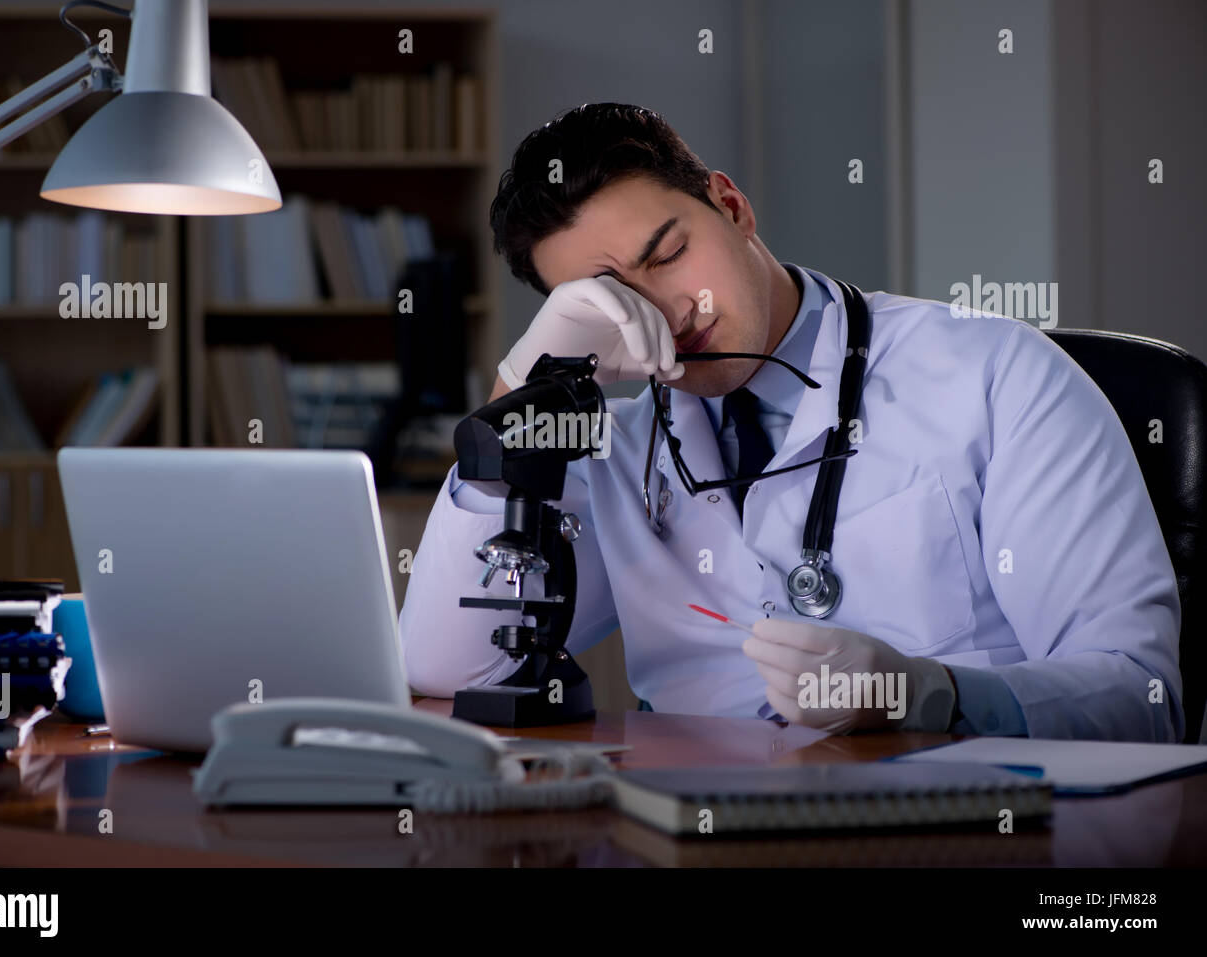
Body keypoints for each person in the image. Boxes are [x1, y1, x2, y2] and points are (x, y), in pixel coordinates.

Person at [398, 102, 1184, 741]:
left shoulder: (995, 374)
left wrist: (933, 694)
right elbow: (448, 670)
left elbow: (1141, 696)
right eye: (609, 298)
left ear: (731, 207)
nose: (669, 309)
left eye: (669, 253)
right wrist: (514, 400)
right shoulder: (610, 450)